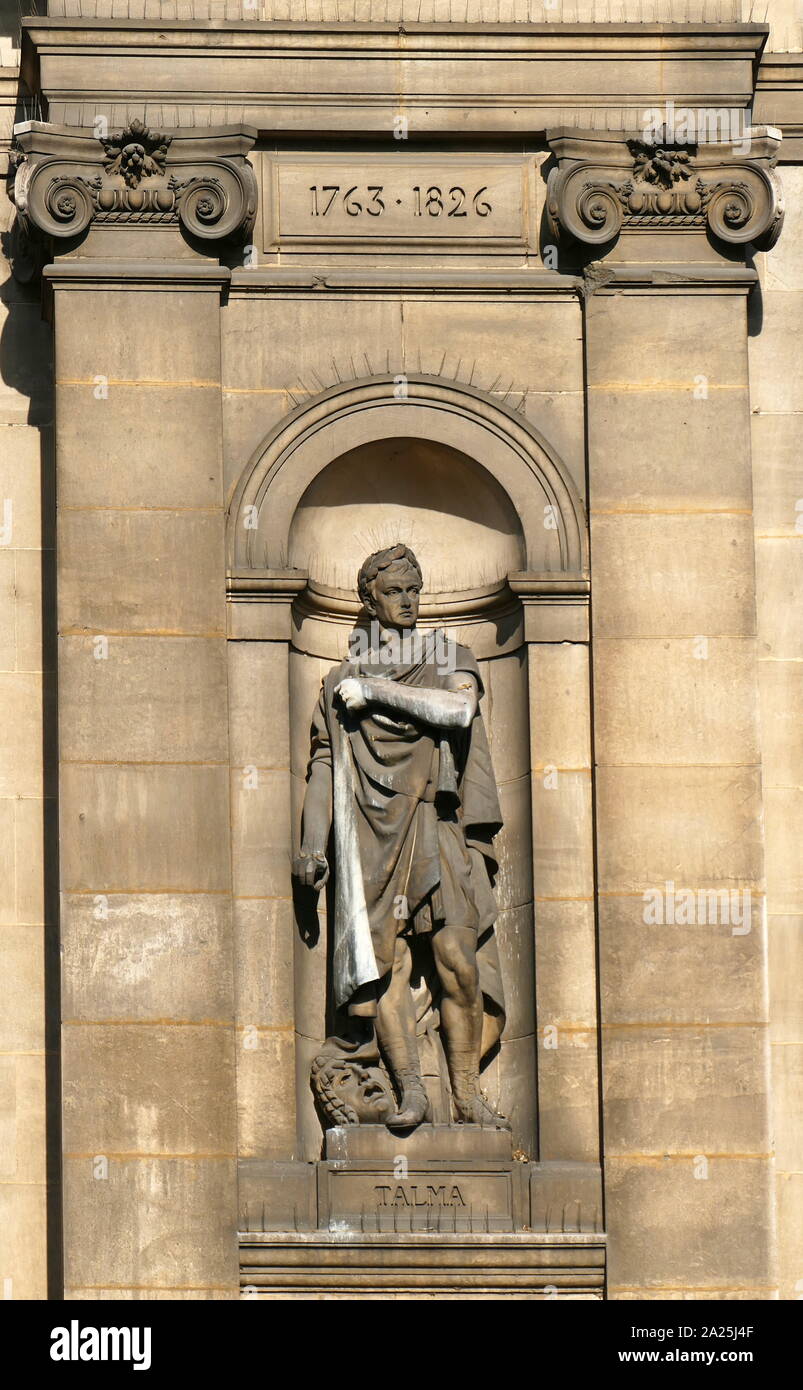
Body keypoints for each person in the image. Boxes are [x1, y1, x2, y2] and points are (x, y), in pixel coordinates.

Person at [294, 543, 508, 1130]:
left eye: (414, 590)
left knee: (456, 957)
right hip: (368, 829)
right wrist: (313, 845)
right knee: (383, 965)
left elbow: (458, 712)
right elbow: (325, 764)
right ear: (370, 599)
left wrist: (378, 693)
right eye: (394, 592)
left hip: (435, 823)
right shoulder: (340, 680)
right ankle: (410, 1086)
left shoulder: (448, 657)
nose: (407, 601)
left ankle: (466, 1094)